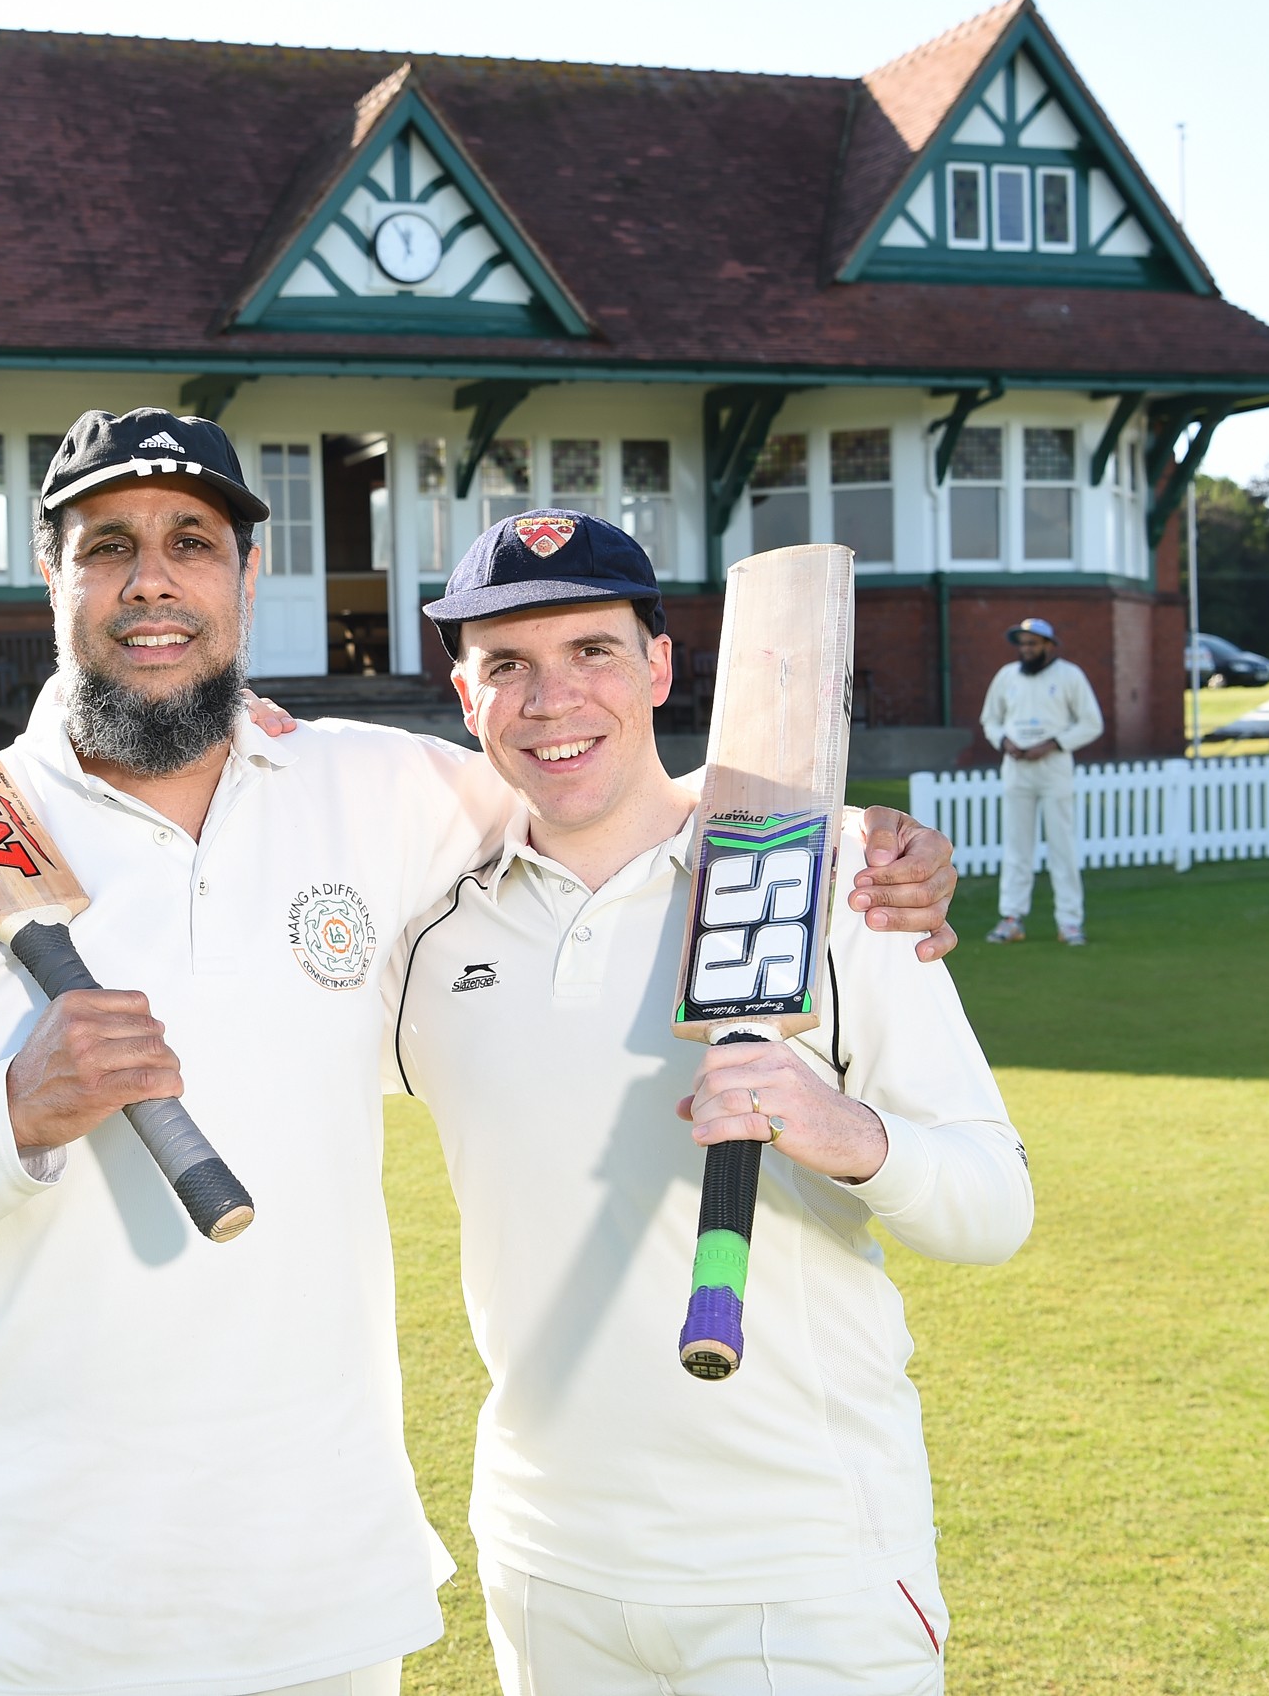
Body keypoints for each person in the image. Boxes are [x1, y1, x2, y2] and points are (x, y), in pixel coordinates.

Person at [0, 410, 961, 1696]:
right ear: (56, 578)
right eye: (109, 546)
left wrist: (850, 840)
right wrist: (8, 1120)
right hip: (40, 1609)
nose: (153, 578)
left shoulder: (376, 791)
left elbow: (598, 785)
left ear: (244, 578)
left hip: (322, 1602)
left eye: (191, 542)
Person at [389, 512, 1034, 1695]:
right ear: (465, 695)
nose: (551, 700)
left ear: (661, 668)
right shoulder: (428, 931)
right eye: (508, 667)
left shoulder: (838, 882)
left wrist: (841, 1133)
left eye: (591, 651)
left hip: (804, 1569)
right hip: (550, 1560)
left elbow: (994, 1207)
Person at [978, 617, 1104, 946]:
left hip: (1054, 768)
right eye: (1023, 643)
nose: (1027, 649)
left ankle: (1070, 922)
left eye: (1034, 643)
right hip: (1017, 768)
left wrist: (1052, 744)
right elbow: (990, 719)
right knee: (1017, 846)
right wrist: (1003, 741)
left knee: (1062, 845)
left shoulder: (1069, 675)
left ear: (1049, 645)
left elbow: (1092, 723)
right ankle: (1011, 918)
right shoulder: (1007, 676)